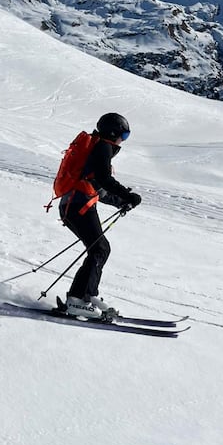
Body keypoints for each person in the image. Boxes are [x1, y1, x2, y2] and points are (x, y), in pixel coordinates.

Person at [59, 112, 141, 318]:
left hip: (76, 205)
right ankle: (78, 300)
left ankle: (86, 295)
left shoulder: (96, 148)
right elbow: (105, 179)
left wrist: (122, 201)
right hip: (78, 206)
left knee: (99, 249)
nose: (123, 140)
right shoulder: (103, 147)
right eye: (124, 135)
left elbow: (99, 189)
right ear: (113, 133)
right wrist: (127, 195)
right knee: (99, 249)